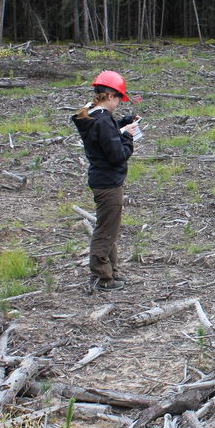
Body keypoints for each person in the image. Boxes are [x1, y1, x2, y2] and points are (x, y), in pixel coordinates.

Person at [71, 71, 140, 292]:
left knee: (110, 228)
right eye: (119, 98)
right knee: (106, 231)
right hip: (109, 182)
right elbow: (117, 155)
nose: (119, 103)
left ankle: (111, 272)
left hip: (103, 179)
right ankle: (102, 277)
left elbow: (106, 135)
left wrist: (123, 124)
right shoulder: (101, 120)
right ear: (110, 95)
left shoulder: (93, 115)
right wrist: (128, 137)